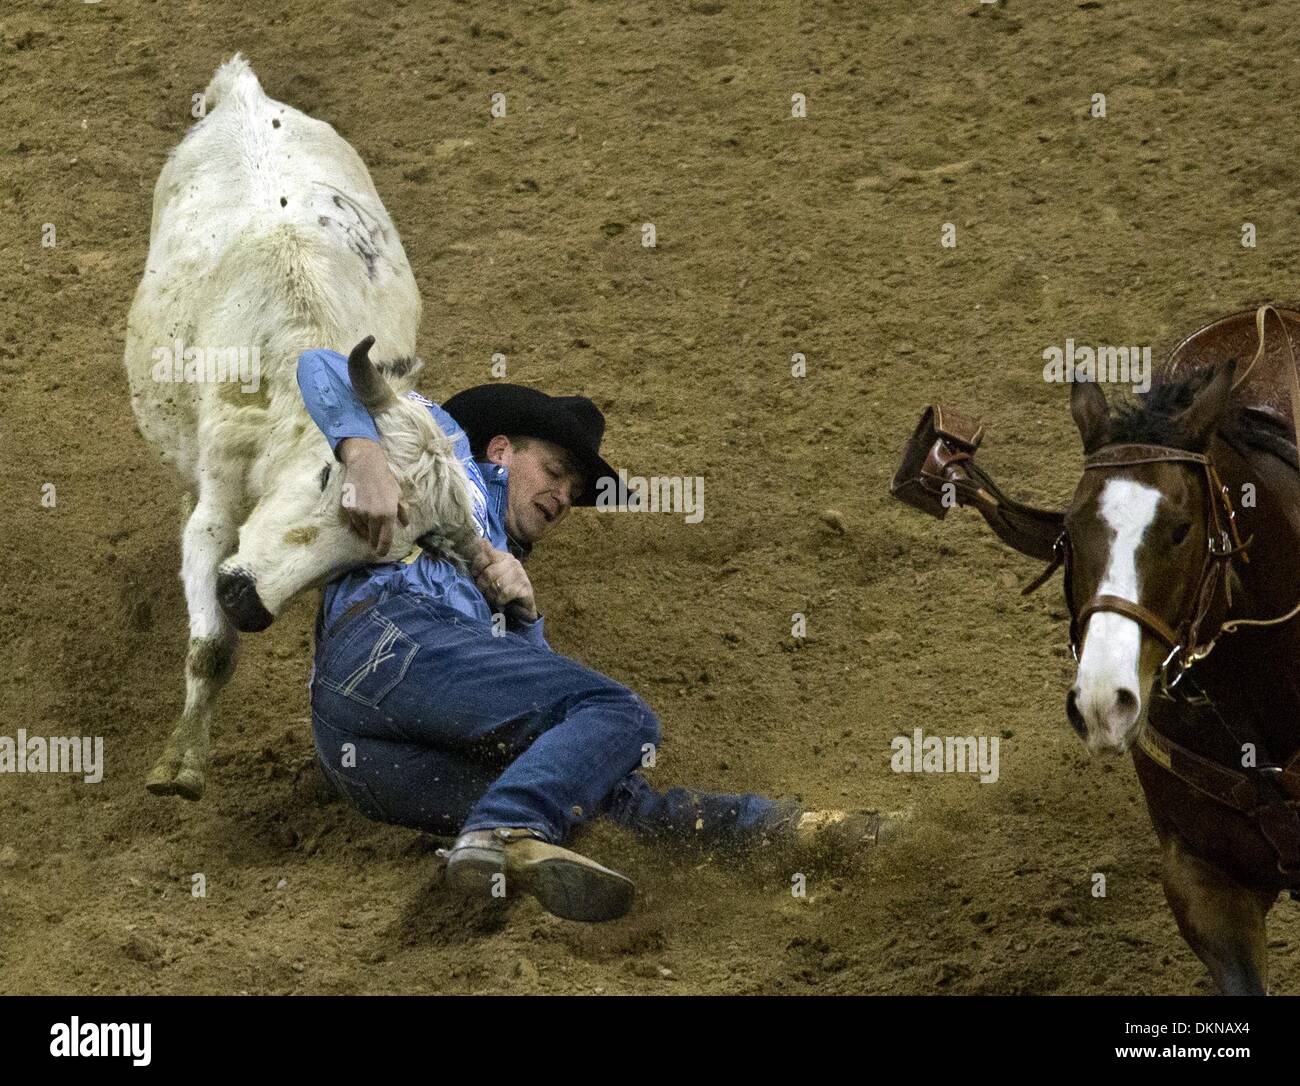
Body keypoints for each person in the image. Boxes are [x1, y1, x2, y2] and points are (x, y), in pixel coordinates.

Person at [297, 347, 891, 922]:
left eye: (575, 492)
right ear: (501, 449)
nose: (563, 496)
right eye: (555, 472)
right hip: (385, 642)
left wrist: (525, 619)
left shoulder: (504, 570)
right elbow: (321, 360)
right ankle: (505, 828)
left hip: (366, 756)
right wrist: (362, 453)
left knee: (599, 798)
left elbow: (543, 729)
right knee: (617, 712)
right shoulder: (447, 450)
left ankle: (801, 835)